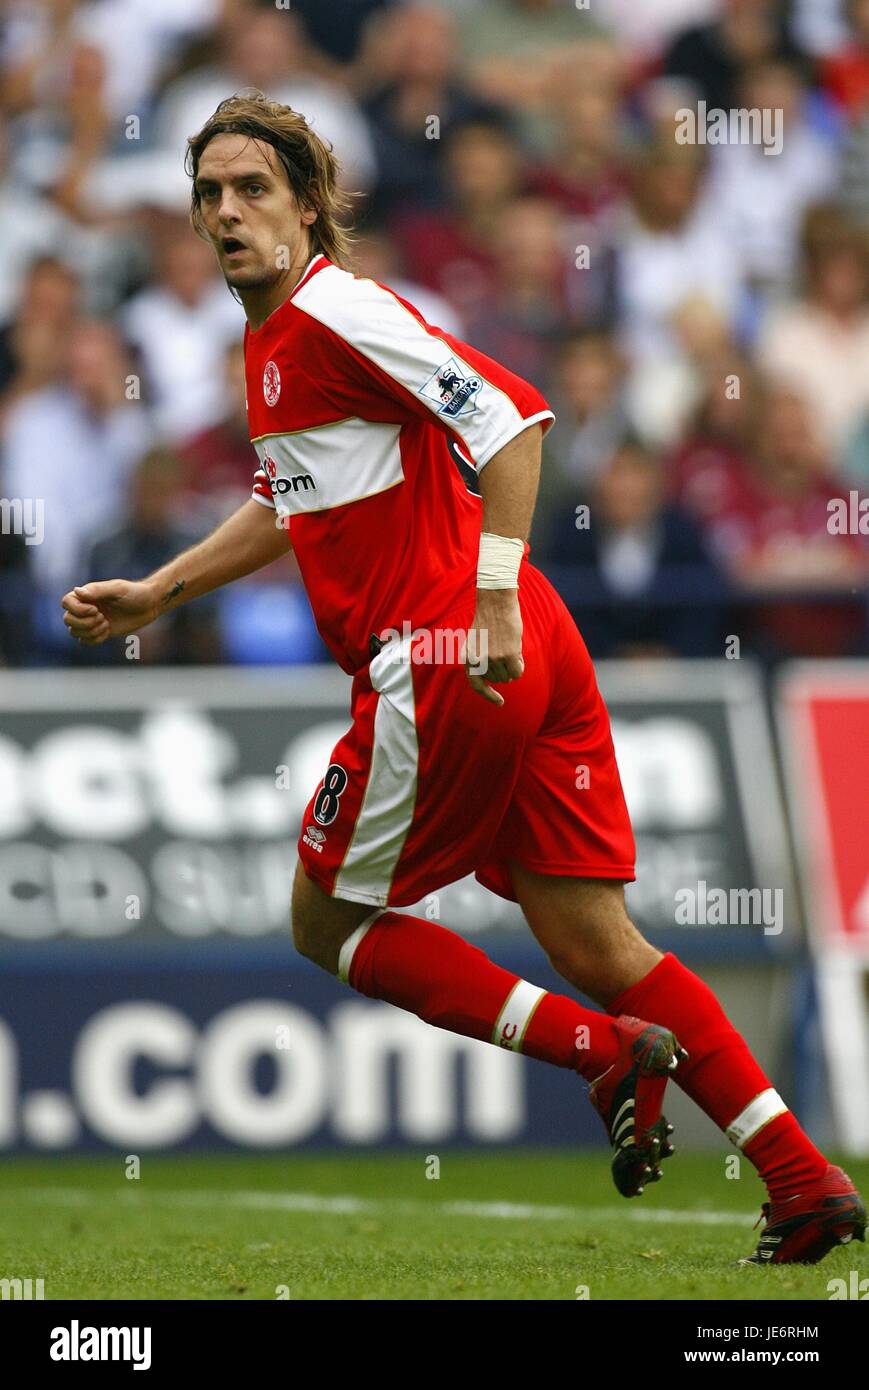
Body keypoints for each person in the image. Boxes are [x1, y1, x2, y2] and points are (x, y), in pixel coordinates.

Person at [61, 92, 865, 1264]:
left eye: (250, 190)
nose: (225, 212)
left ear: (305, 206)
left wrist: (486, 589)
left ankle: (598, 1057)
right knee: (596, 942)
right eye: (207, 194)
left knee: (327, 921)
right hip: (526, 645)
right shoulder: (276, 332)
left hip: (450, 646)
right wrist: (160, 591)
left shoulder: (334, 309)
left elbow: (511, 417)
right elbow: (293, 499)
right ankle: (801, 1180)